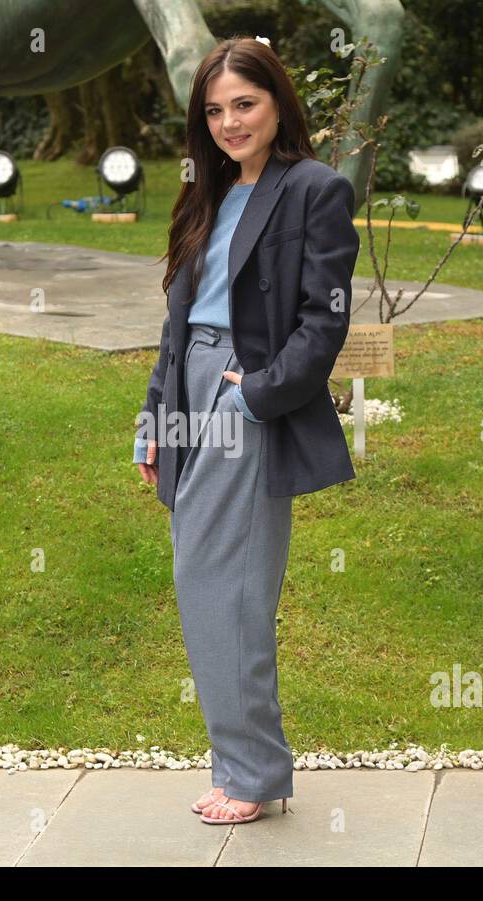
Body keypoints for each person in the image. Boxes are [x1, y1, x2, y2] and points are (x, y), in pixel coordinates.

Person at [134, 36, 359, 825]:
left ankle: (253, 771)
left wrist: (255, 395)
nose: (230, 122)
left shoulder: (316, 190)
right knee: (212, 583)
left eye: (245, 104)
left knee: (221, 585)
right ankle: (243, 763)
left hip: (241, 394)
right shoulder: (209, 190)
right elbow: (176, 323)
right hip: (188, 387)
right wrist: (154, 419)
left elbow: (322, 321)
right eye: (216, 109)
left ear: (277, 104)